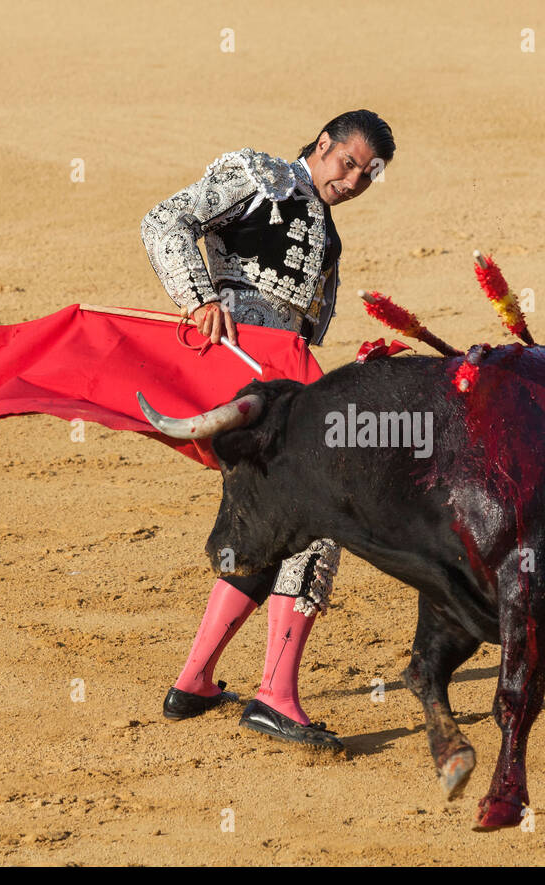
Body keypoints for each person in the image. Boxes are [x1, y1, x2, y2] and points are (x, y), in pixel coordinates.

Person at [140, 110, 395, 750]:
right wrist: (197, 296)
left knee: (272, 523)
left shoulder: (327, 236)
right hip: (237, 372)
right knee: (315, 520)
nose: (355, 178)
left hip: (280, 384)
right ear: (322, 144)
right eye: (349, 162)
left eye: (368, 174)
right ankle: (275, 697)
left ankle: (196, 681)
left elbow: (303, 334)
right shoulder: (260, 177)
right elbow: (164, 219)